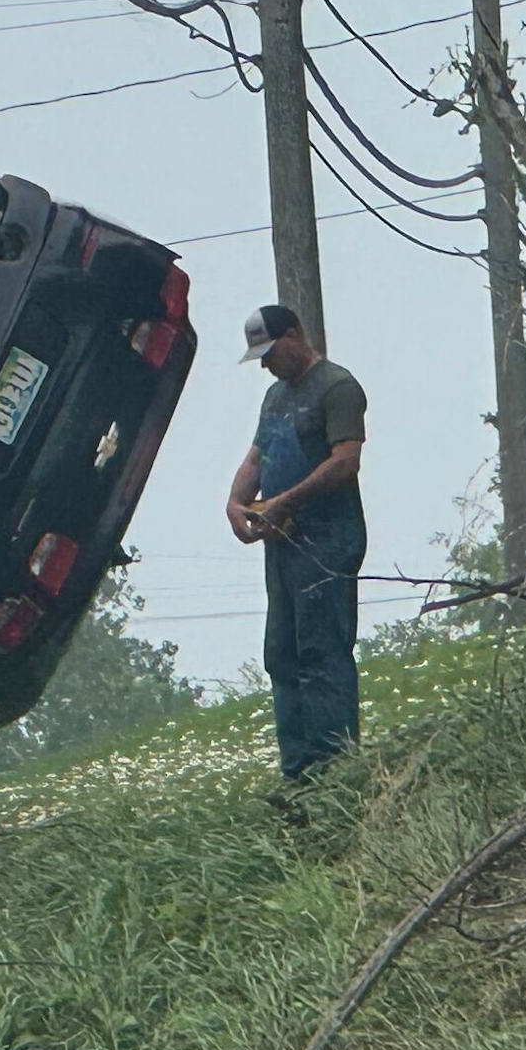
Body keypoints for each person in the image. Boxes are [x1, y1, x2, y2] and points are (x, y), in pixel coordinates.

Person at [226, 305, 367, 782]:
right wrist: (236, 501)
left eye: (270, 352)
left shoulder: (337, 388)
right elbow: (257, 455)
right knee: (281, 654)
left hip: (328, 541)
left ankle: (336, 769)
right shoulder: (274, 397)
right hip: (282, 545)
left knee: (321, 652)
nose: (266, 364)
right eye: (259, 357)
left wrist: (285, 499)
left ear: (294, 335)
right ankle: (298, 775)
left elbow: (345, 462)